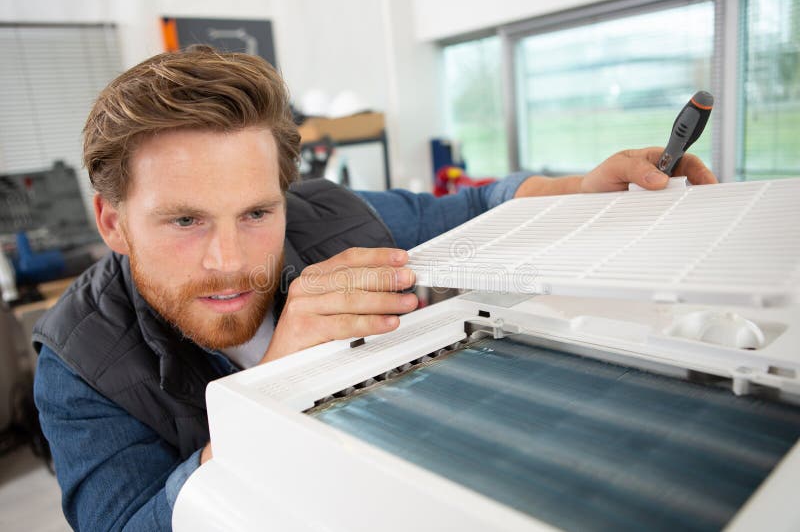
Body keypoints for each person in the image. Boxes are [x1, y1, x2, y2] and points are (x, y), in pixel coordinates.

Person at [32, 46, 717, 531]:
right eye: (184, 220)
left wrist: (578, 188)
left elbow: (474, 208)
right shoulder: (78, 362)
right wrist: (276, 382)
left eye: (257, 212)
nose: (229, 260)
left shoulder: (326, 209)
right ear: (114, 222)